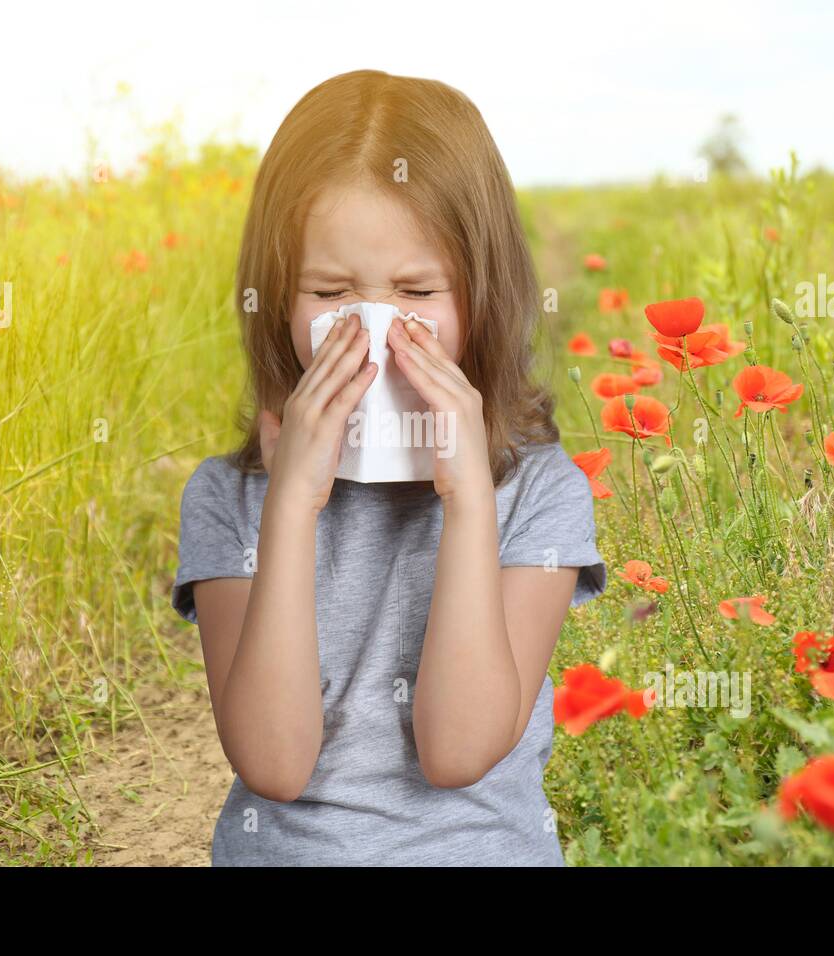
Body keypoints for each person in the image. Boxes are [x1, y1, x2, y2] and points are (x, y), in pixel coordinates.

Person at [171, 69, 606, 865]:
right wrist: (292, 506)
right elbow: (273, 762)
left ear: (484, 293)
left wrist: (469, 497)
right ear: (276, 302)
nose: (373, 331)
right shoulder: (229, 499)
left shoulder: (538, 495)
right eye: (331, 292)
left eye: (416, 290)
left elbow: (459, 750)